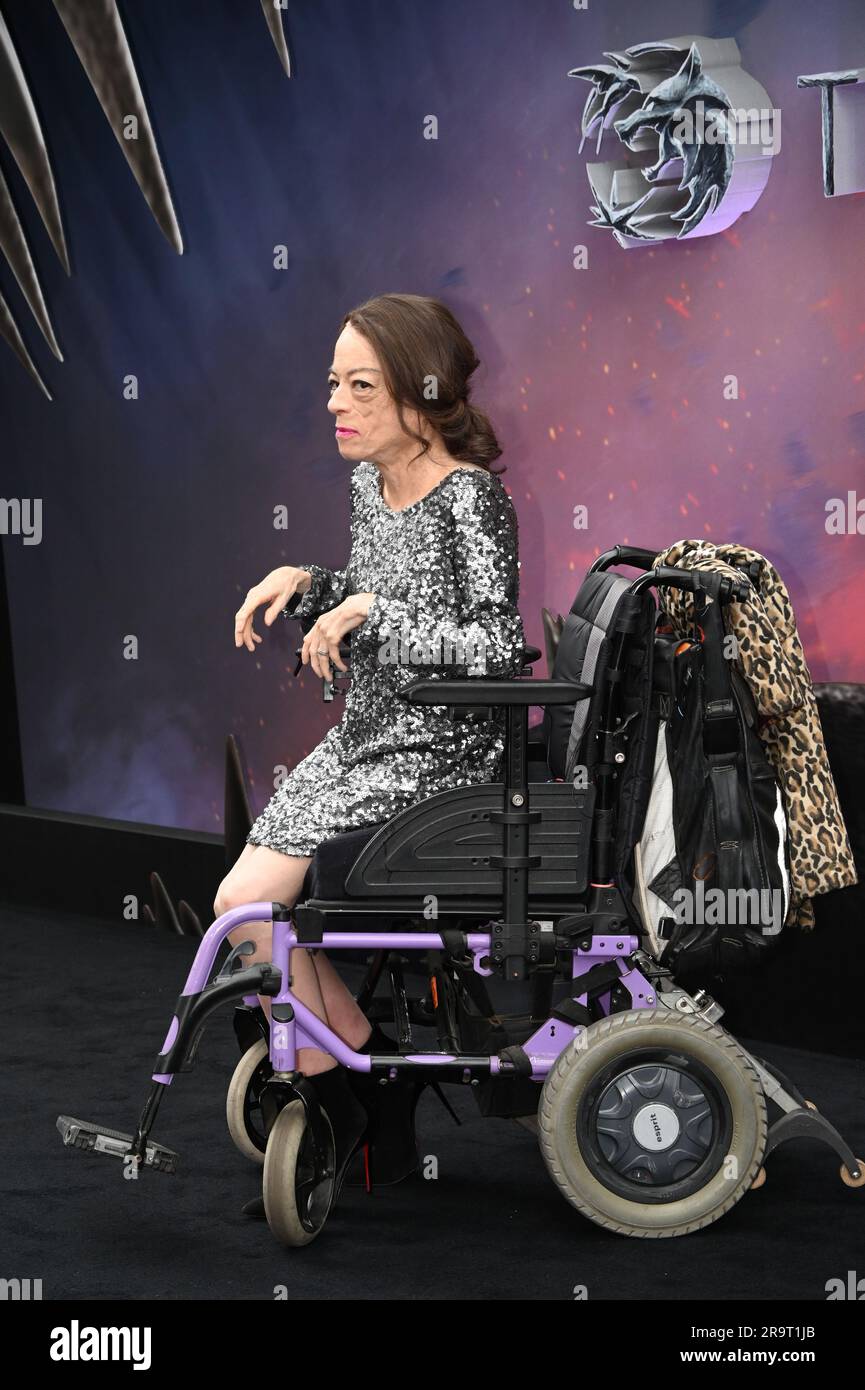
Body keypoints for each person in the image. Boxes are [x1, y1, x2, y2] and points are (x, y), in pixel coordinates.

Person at [217, 292, 525, 1216]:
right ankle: (359, 1078)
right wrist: (312, 584)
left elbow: (497, 648)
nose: (334, 404)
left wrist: (376, 615)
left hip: (441, 754)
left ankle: (350, 1099)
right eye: (332, 383)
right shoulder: (369, 485)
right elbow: (375, 594)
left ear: (421, 396)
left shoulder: (472, 497)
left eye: (359, 385)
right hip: (366, 737)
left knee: (246, 906)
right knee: (241, 914)